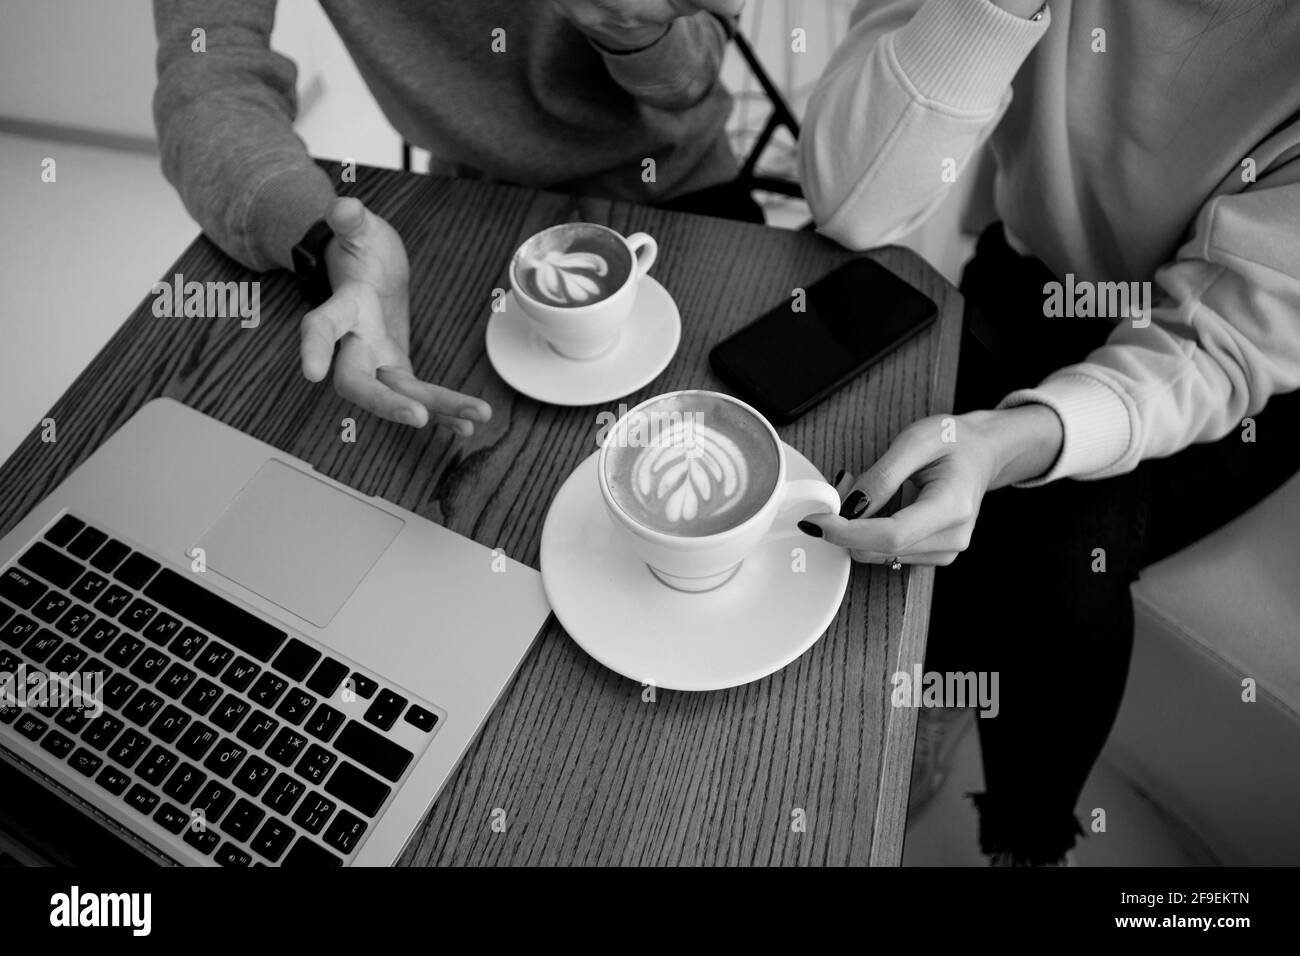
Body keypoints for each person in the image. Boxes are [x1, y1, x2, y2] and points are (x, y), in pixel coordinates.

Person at [796, 0, 1300, 865]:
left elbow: (1221, 349)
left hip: (1244, 353)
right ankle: (950, 696)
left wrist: (1010, 441)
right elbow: (850, 210)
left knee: (1068, 536)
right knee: (898, 456)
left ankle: (1027, 846)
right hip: (1037, 280)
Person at [152, 0, 750, 434]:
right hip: (466, 200)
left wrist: (634, 33)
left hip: (677, 181)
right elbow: (208, 78)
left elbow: (689, 80)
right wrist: (320, 240)